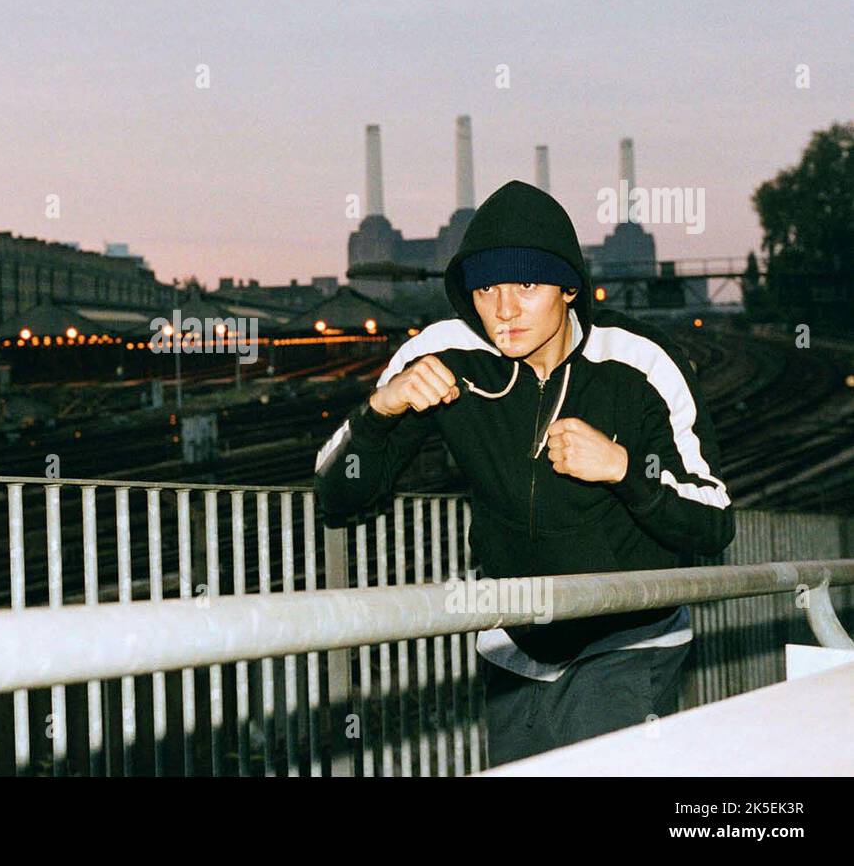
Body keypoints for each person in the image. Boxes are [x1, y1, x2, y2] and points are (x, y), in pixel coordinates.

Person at [314, 179, 734, 767]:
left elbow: (714, 523)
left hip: (628, 640)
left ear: (568, 288)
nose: (504, 310)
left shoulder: (638, 360)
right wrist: (379, 411)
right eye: (485, 288)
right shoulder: (442, 354)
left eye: (527, 286)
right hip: (513, 646)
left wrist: (624, 472)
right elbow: (335, 495)